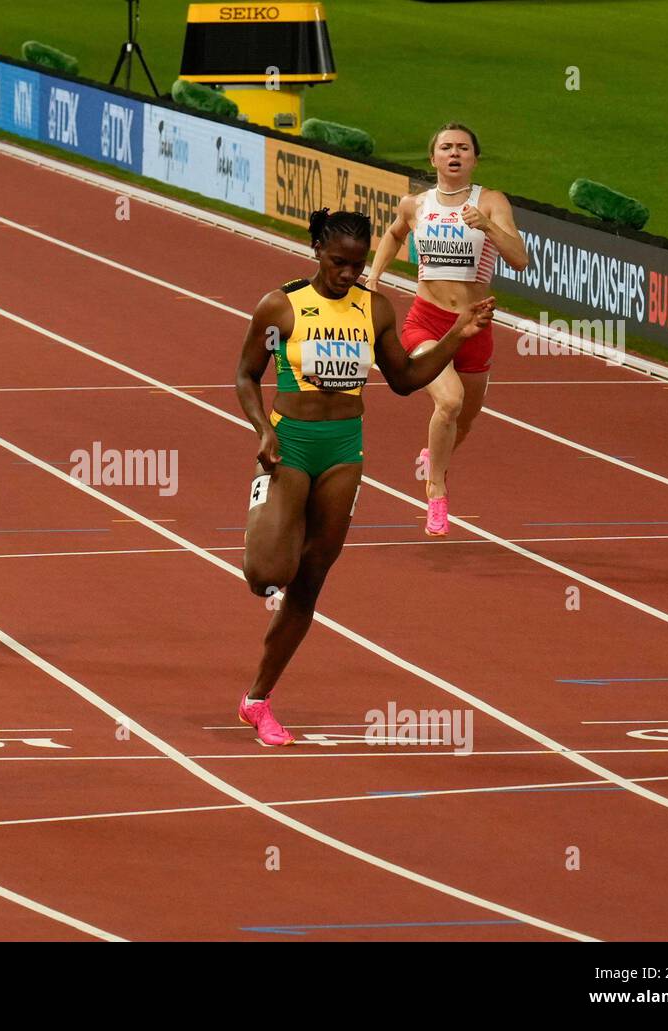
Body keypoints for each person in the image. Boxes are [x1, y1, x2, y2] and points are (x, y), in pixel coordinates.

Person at [235, 209, 495, 745]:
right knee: (265, 575)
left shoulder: (374, 308)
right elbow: (244, 375)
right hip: (290, 446)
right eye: (338, 263)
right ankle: (268, 538)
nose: (348, 273)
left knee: (309, 583)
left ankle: (258, 700)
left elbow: (403, 379)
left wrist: (458, 336)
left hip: (343, 450)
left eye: (356, 264)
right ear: (316, 253)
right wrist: (262, 428)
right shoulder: (280, 306)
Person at [367, 123, 529, 535]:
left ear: (474, 159)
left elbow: (520, 259)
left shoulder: (490, 202)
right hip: (427, 321)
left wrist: (488, 226)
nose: (454, 153)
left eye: (462, 148)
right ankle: (436, 490)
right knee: (450, 402)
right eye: (446, 147)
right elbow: (392, 233)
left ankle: (432, 457)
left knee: (466, 420)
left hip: (474, 325)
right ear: (433, 158)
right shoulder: (415, 204)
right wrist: (373, 278)